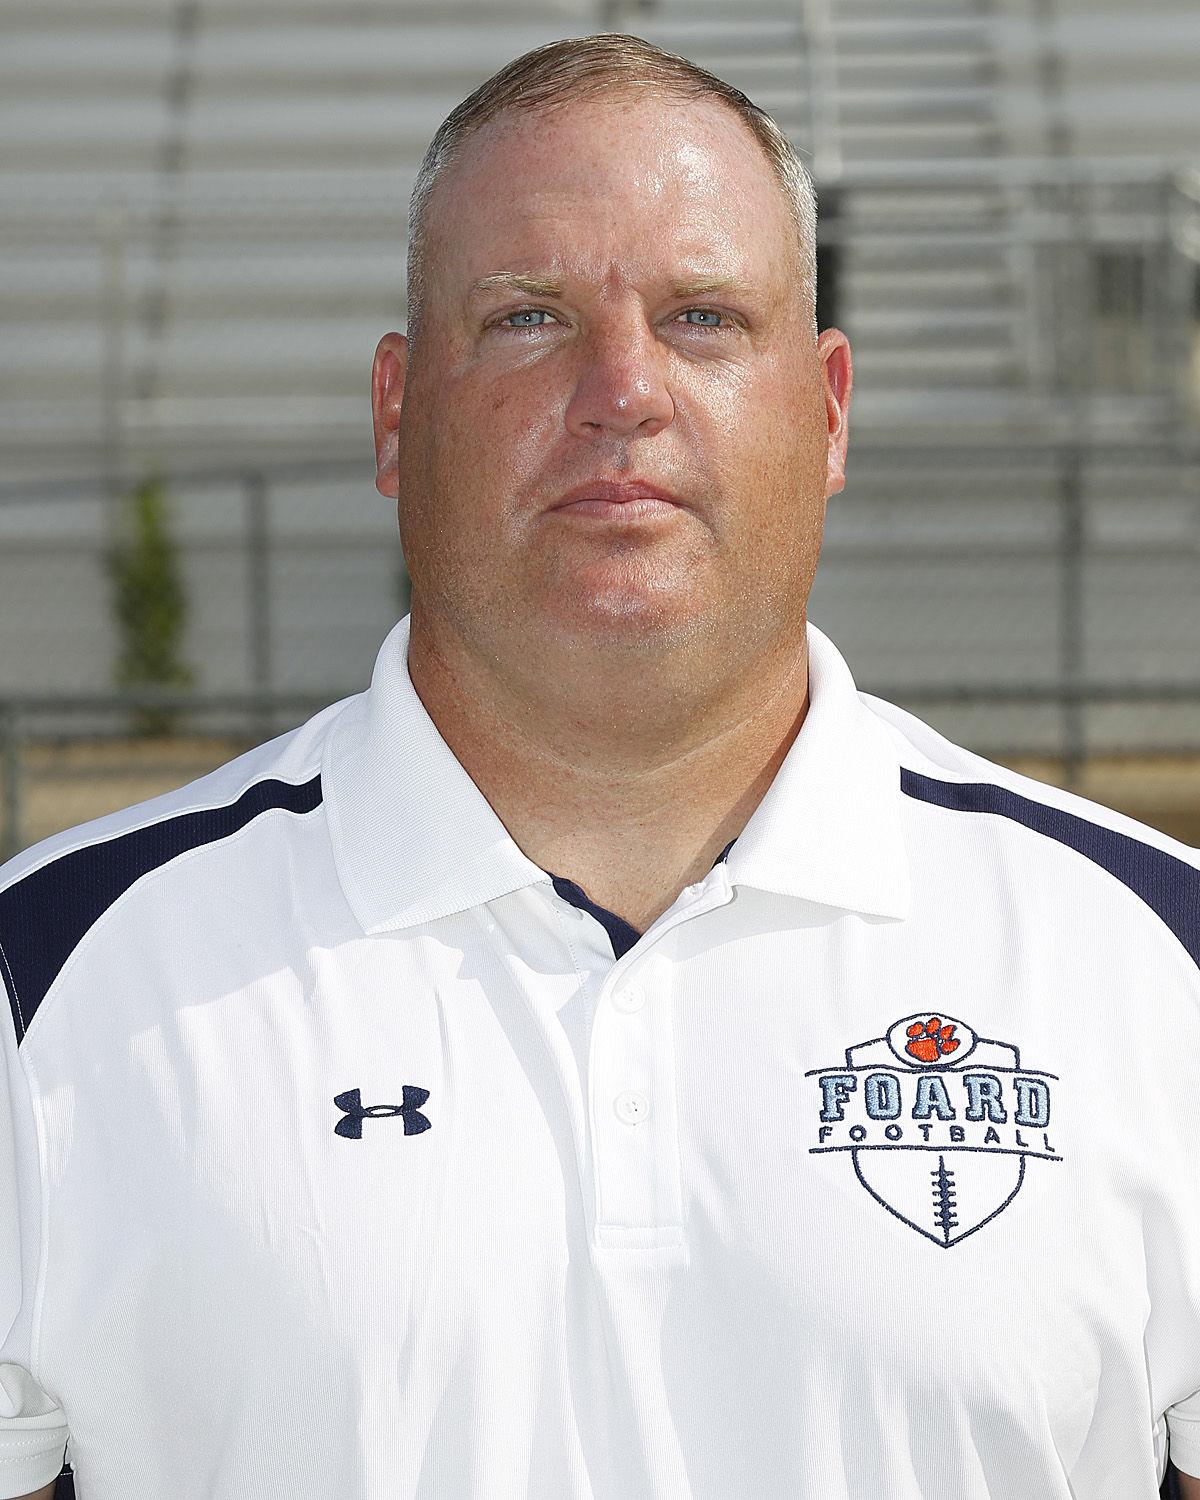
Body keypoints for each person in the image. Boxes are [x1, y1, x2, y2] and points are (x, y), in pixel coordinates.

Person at [1, 31, 1198, 1500]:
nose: (620, 388)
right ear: (395, 413)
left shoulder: (1157, 970)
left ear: (826, 413)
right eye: (526, 318)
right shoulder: (49, 993)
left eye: (702, 316)